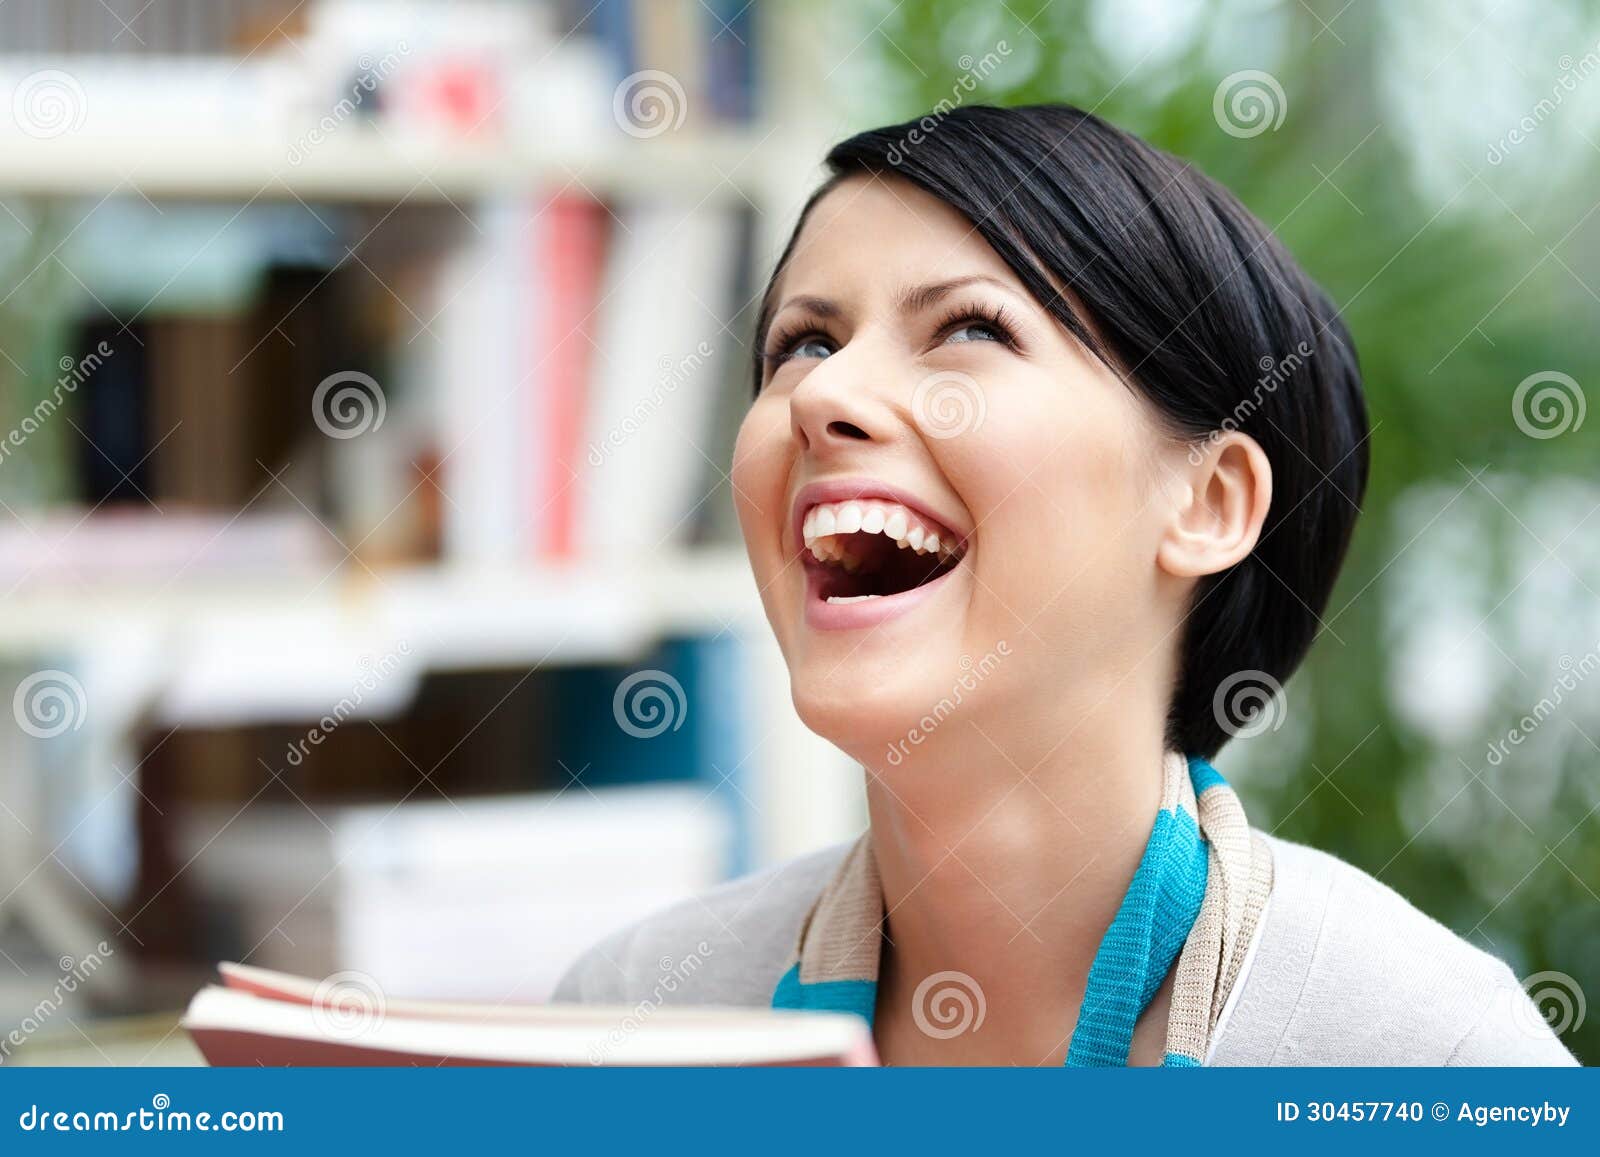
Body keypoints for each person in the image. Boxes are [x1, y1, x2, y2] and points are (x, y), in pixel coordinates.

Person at [553, 104, 1576, 1066]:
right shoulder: (623, 1024)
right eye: (804, 342)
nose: (822, 392)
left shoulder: (1429, 1056)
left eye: (967, 328)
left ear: (1207, 501)